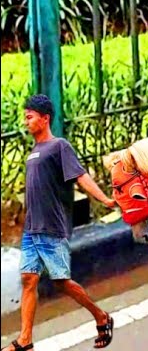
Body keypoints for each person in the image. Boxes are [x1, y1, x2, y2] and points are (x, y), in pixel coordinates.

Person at [13, 94, 116, 351]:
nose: (26, 122)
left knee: (61, 281)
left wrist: (105, 199)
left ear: (45, 118)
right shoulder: (34, 153)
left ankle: (101, 316)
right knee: (28, 279)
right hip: (32, 229)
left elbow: (81, 176)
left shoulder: (59, 146)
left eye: (30, 117)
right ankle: (25, 340)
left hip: (51, 229)